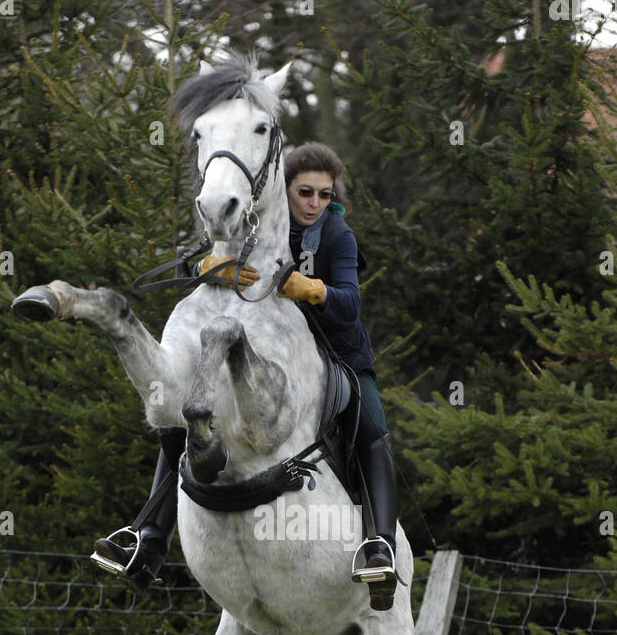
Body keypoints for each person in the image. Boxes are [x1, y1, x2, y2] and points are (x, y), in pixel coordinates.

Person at [91, 142, 399, 608]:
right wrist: (200, 267)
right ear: (283, 189)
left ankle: (380, 546)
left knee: (372, 424)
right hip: (263, 351)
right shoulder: (256, 225)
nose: (314, 204)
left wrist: (312, 289)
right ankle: (148, 536)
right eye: (304, 193)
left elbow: (352, 304)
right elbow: (194, 257)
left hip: (335, 353)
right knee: (180, 415)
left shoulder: (336, 235)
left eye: (323, 194)